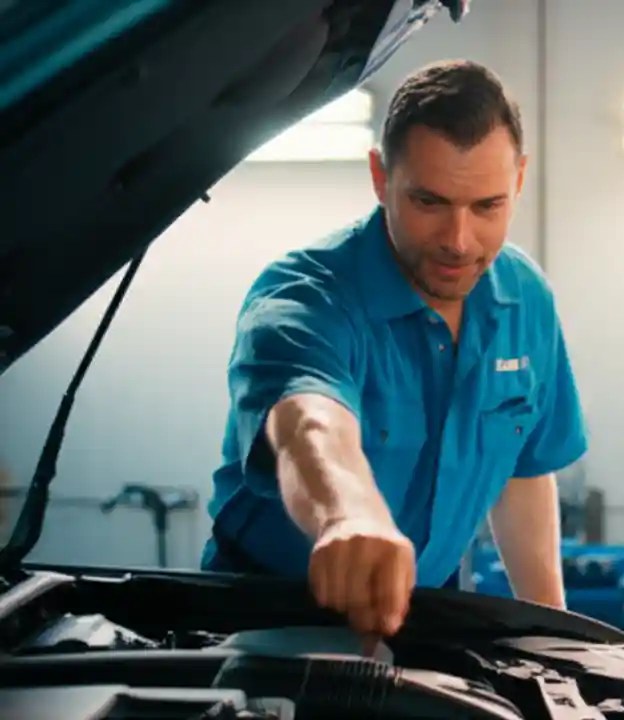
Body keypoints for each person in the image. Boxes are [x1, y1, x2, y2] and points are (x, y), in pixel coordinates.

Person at [200, 60, 587, 642]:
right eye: (429, 202)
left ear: (520, 180)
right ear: (381, 178)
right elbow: (308, 425)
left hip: (425, 617)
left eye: (487, 206)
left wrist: (557, 633)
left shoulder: (526, 298)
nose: (459, 241)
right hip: (269, 614)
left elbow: (523, 471)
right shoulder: (307, 295)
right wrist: (349, 514)